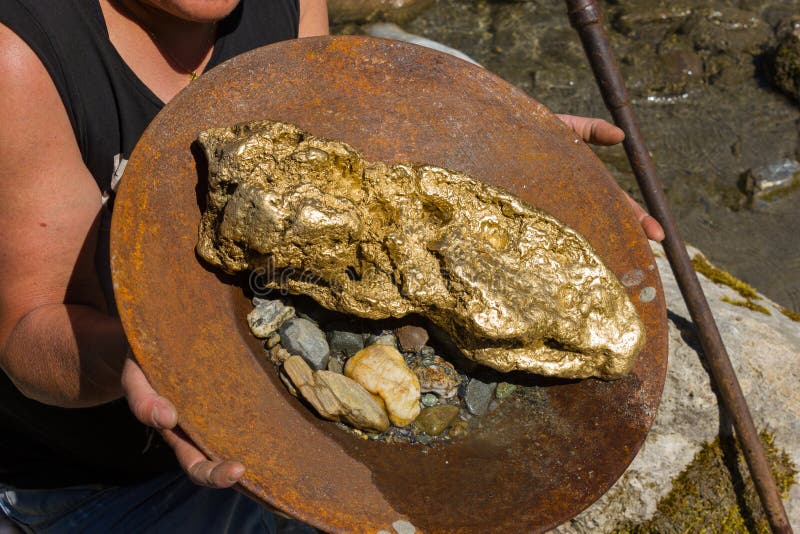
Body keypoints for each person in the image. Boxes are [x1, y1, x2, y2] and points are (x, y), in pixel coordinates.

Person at [0, 1, 664, 532]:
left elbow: (335, 148)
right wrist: (155, 351)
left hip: (275, 409)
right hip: (100, 485)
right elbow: (24, 336)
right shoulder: (22, 58)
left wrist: (490, 142)